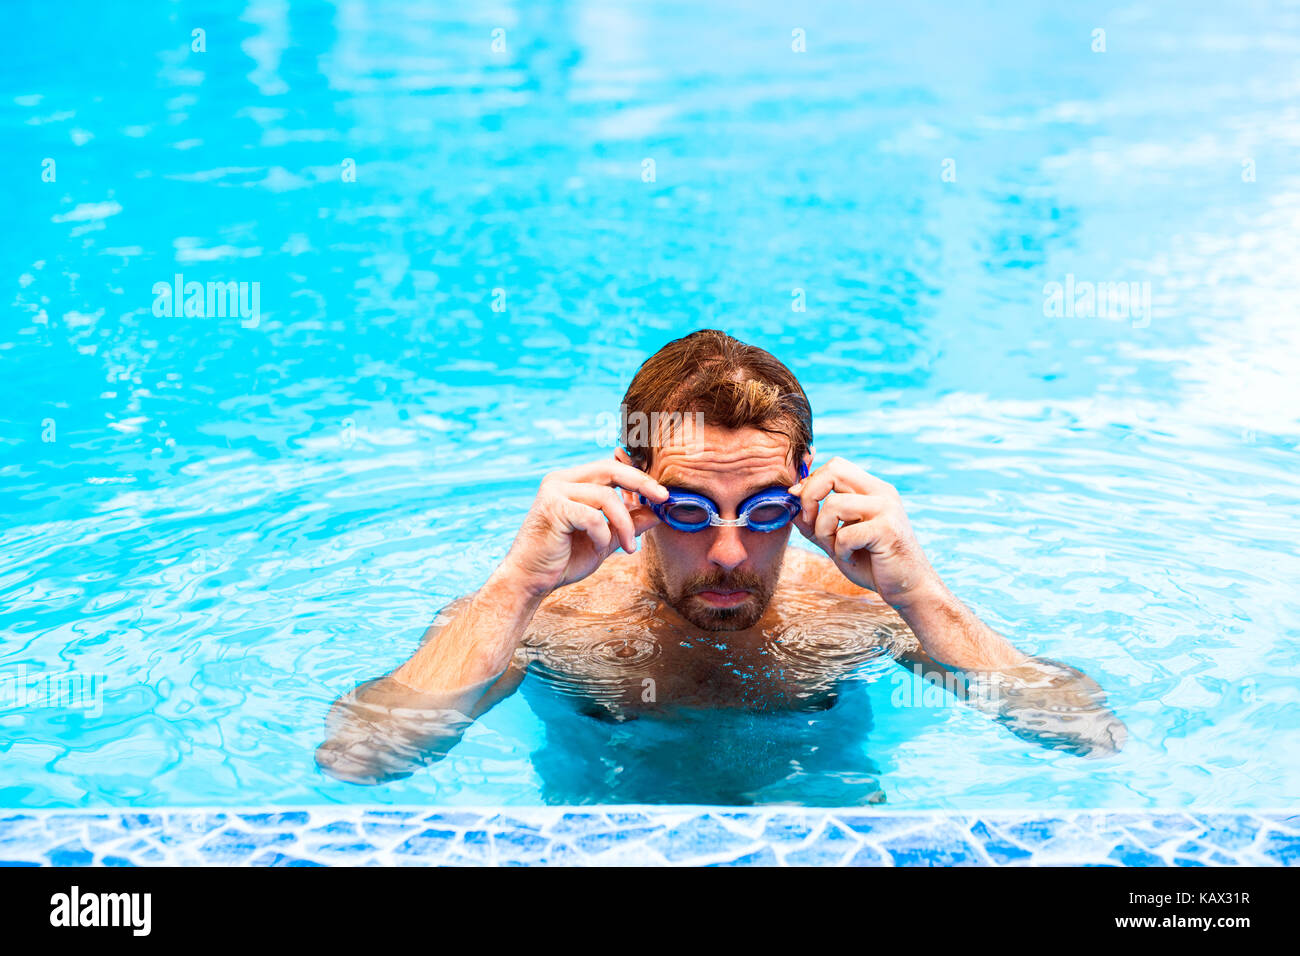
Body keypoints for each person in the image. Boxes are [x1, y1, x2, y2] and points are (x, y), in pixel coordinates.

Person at [316, 330, 1125, 793]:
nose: (731, 552)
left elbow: (1085, 734)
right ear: (629, 488)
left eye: (767, 510)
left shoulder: (857, 606)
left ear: (808, 488)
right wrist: (516, 584)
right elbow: (362, 757)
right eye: (688, 510)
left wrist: (922, 594)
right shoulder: (552, 616)